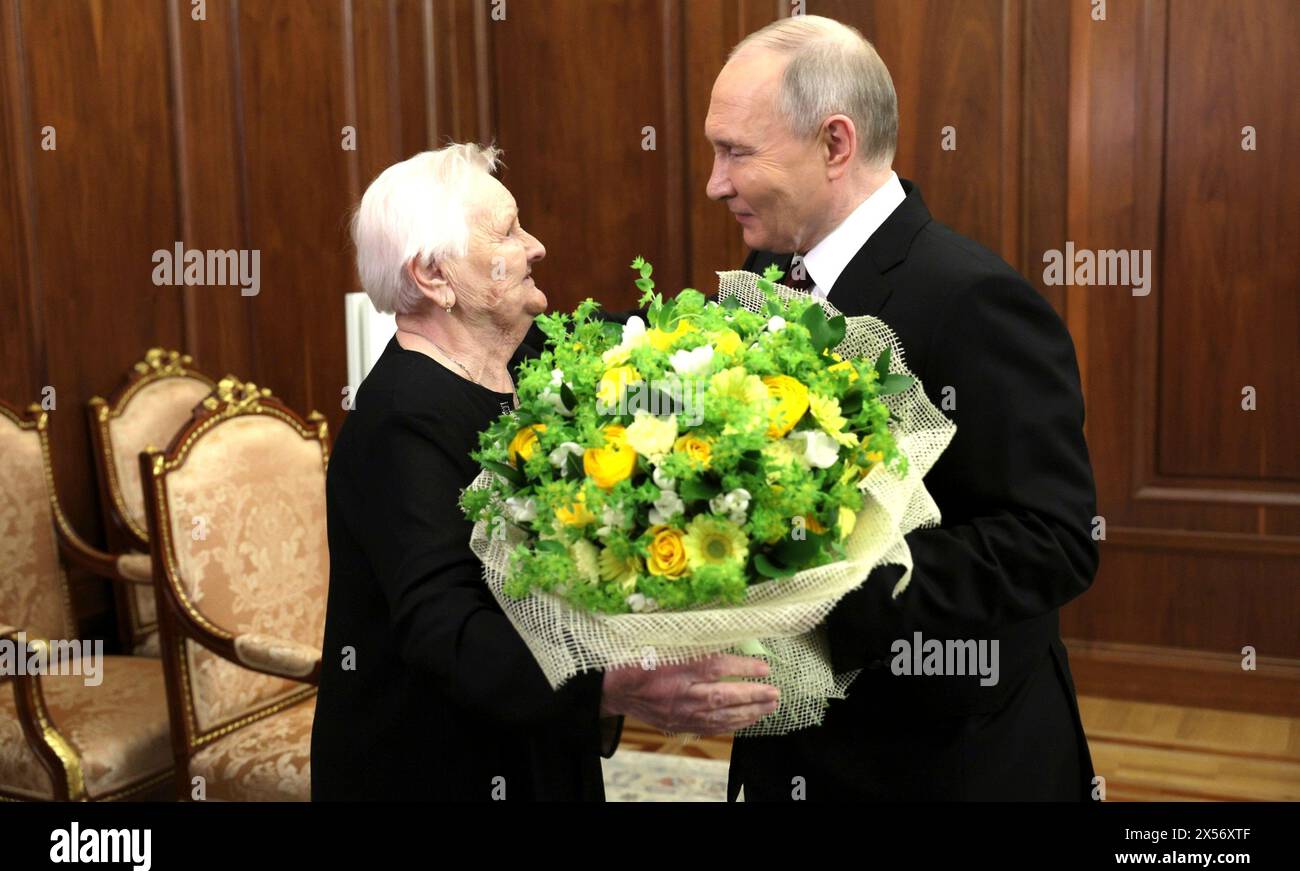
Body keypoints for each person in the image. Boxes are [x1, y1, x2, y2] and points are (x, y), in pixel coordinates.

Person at [704, 16, 1099, 800]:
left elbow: (1053, 540)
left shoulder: (973, 299)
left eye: (736, 152)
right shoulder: (767, 269)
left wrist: (824, 586)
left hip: (941, 761)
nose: (715, 181)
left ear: (836, 144)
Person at [311, 144, 780, 801]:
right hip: (434, 768)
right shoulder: (401, 422)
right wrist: (612, 684)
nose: (535, 247)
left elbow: (668, 339)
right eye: (507, 232)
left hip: (537, 738)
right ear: (432, 275)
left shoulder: (535, 353)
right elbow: (448, 632)